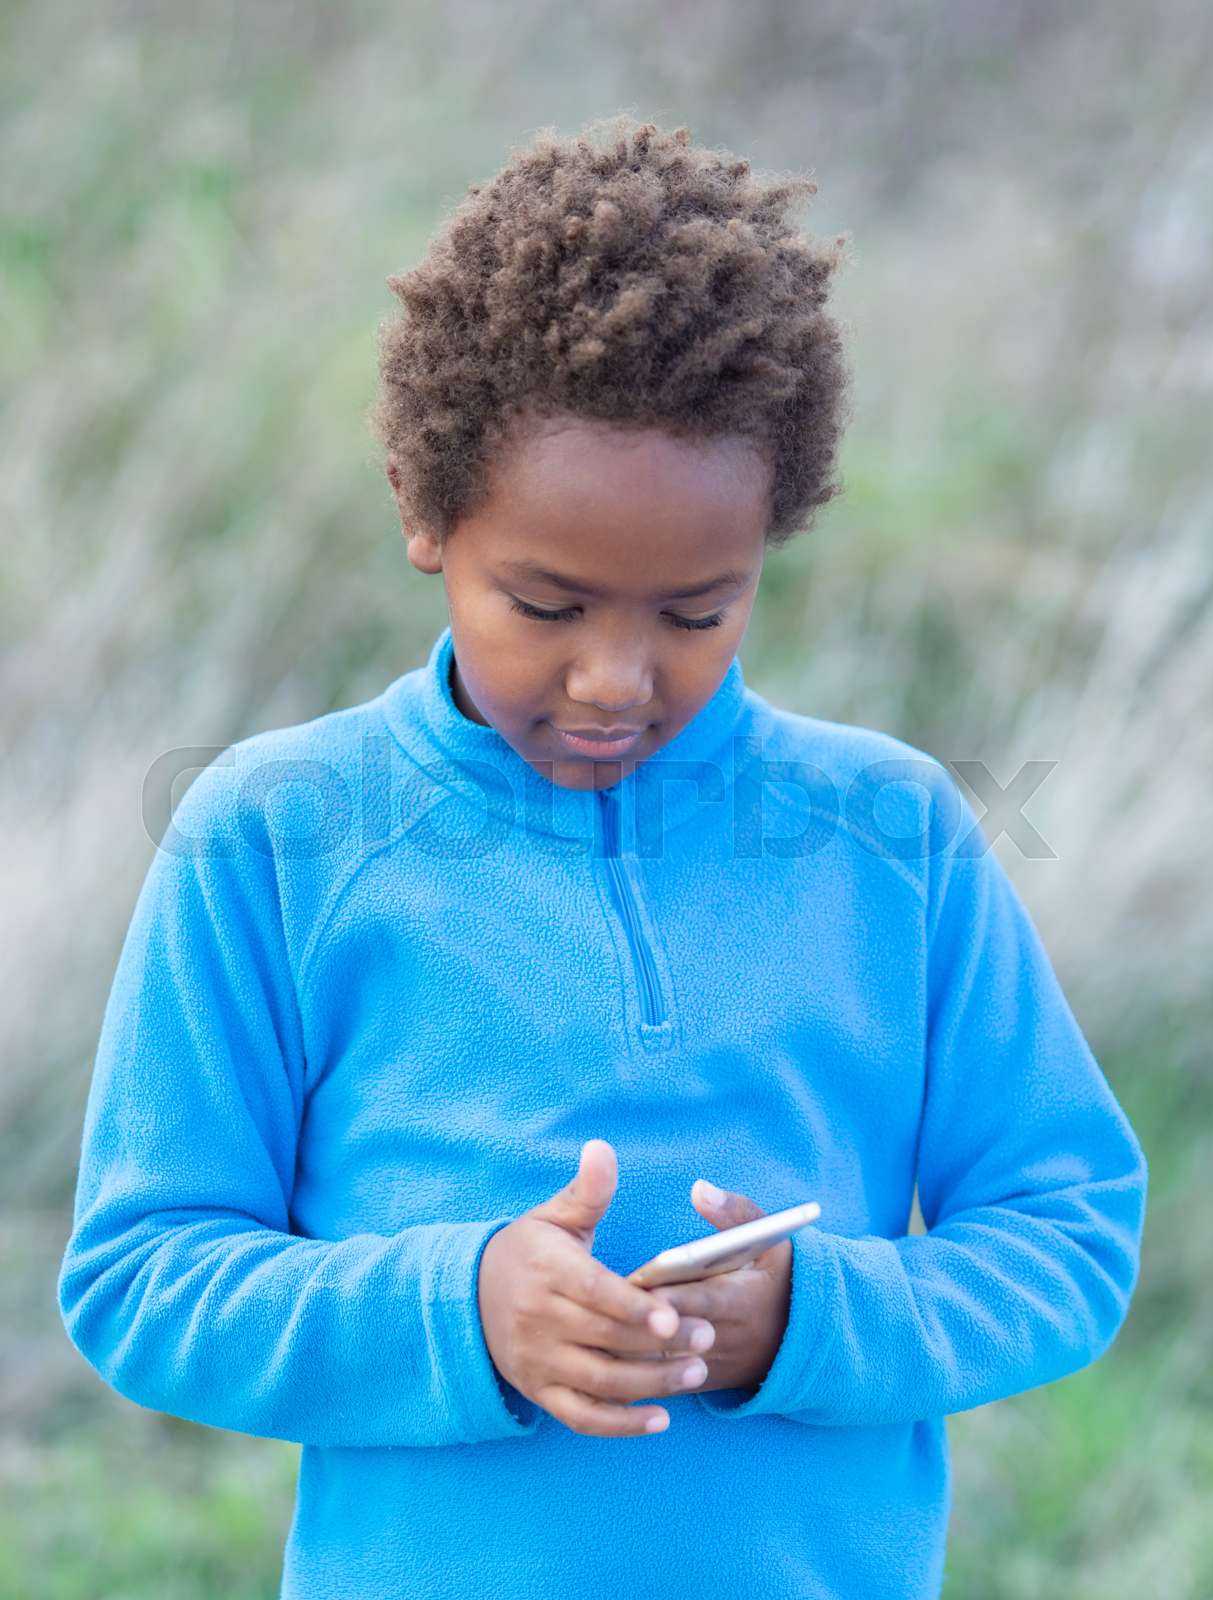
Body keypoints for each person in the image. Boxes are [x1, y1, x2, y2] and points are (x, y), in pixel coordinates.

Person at [57, 117, 1148, 1600]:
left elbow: (1067, 1229)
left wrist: (811, 1324)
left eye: (696, 613)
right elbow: (144, 1277)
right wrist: (469, 1308)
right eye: (550, 605)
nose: (616, 679)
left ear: (772, 540)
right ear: (424, 513)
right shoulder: (274, 839)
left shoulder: (893, 840)